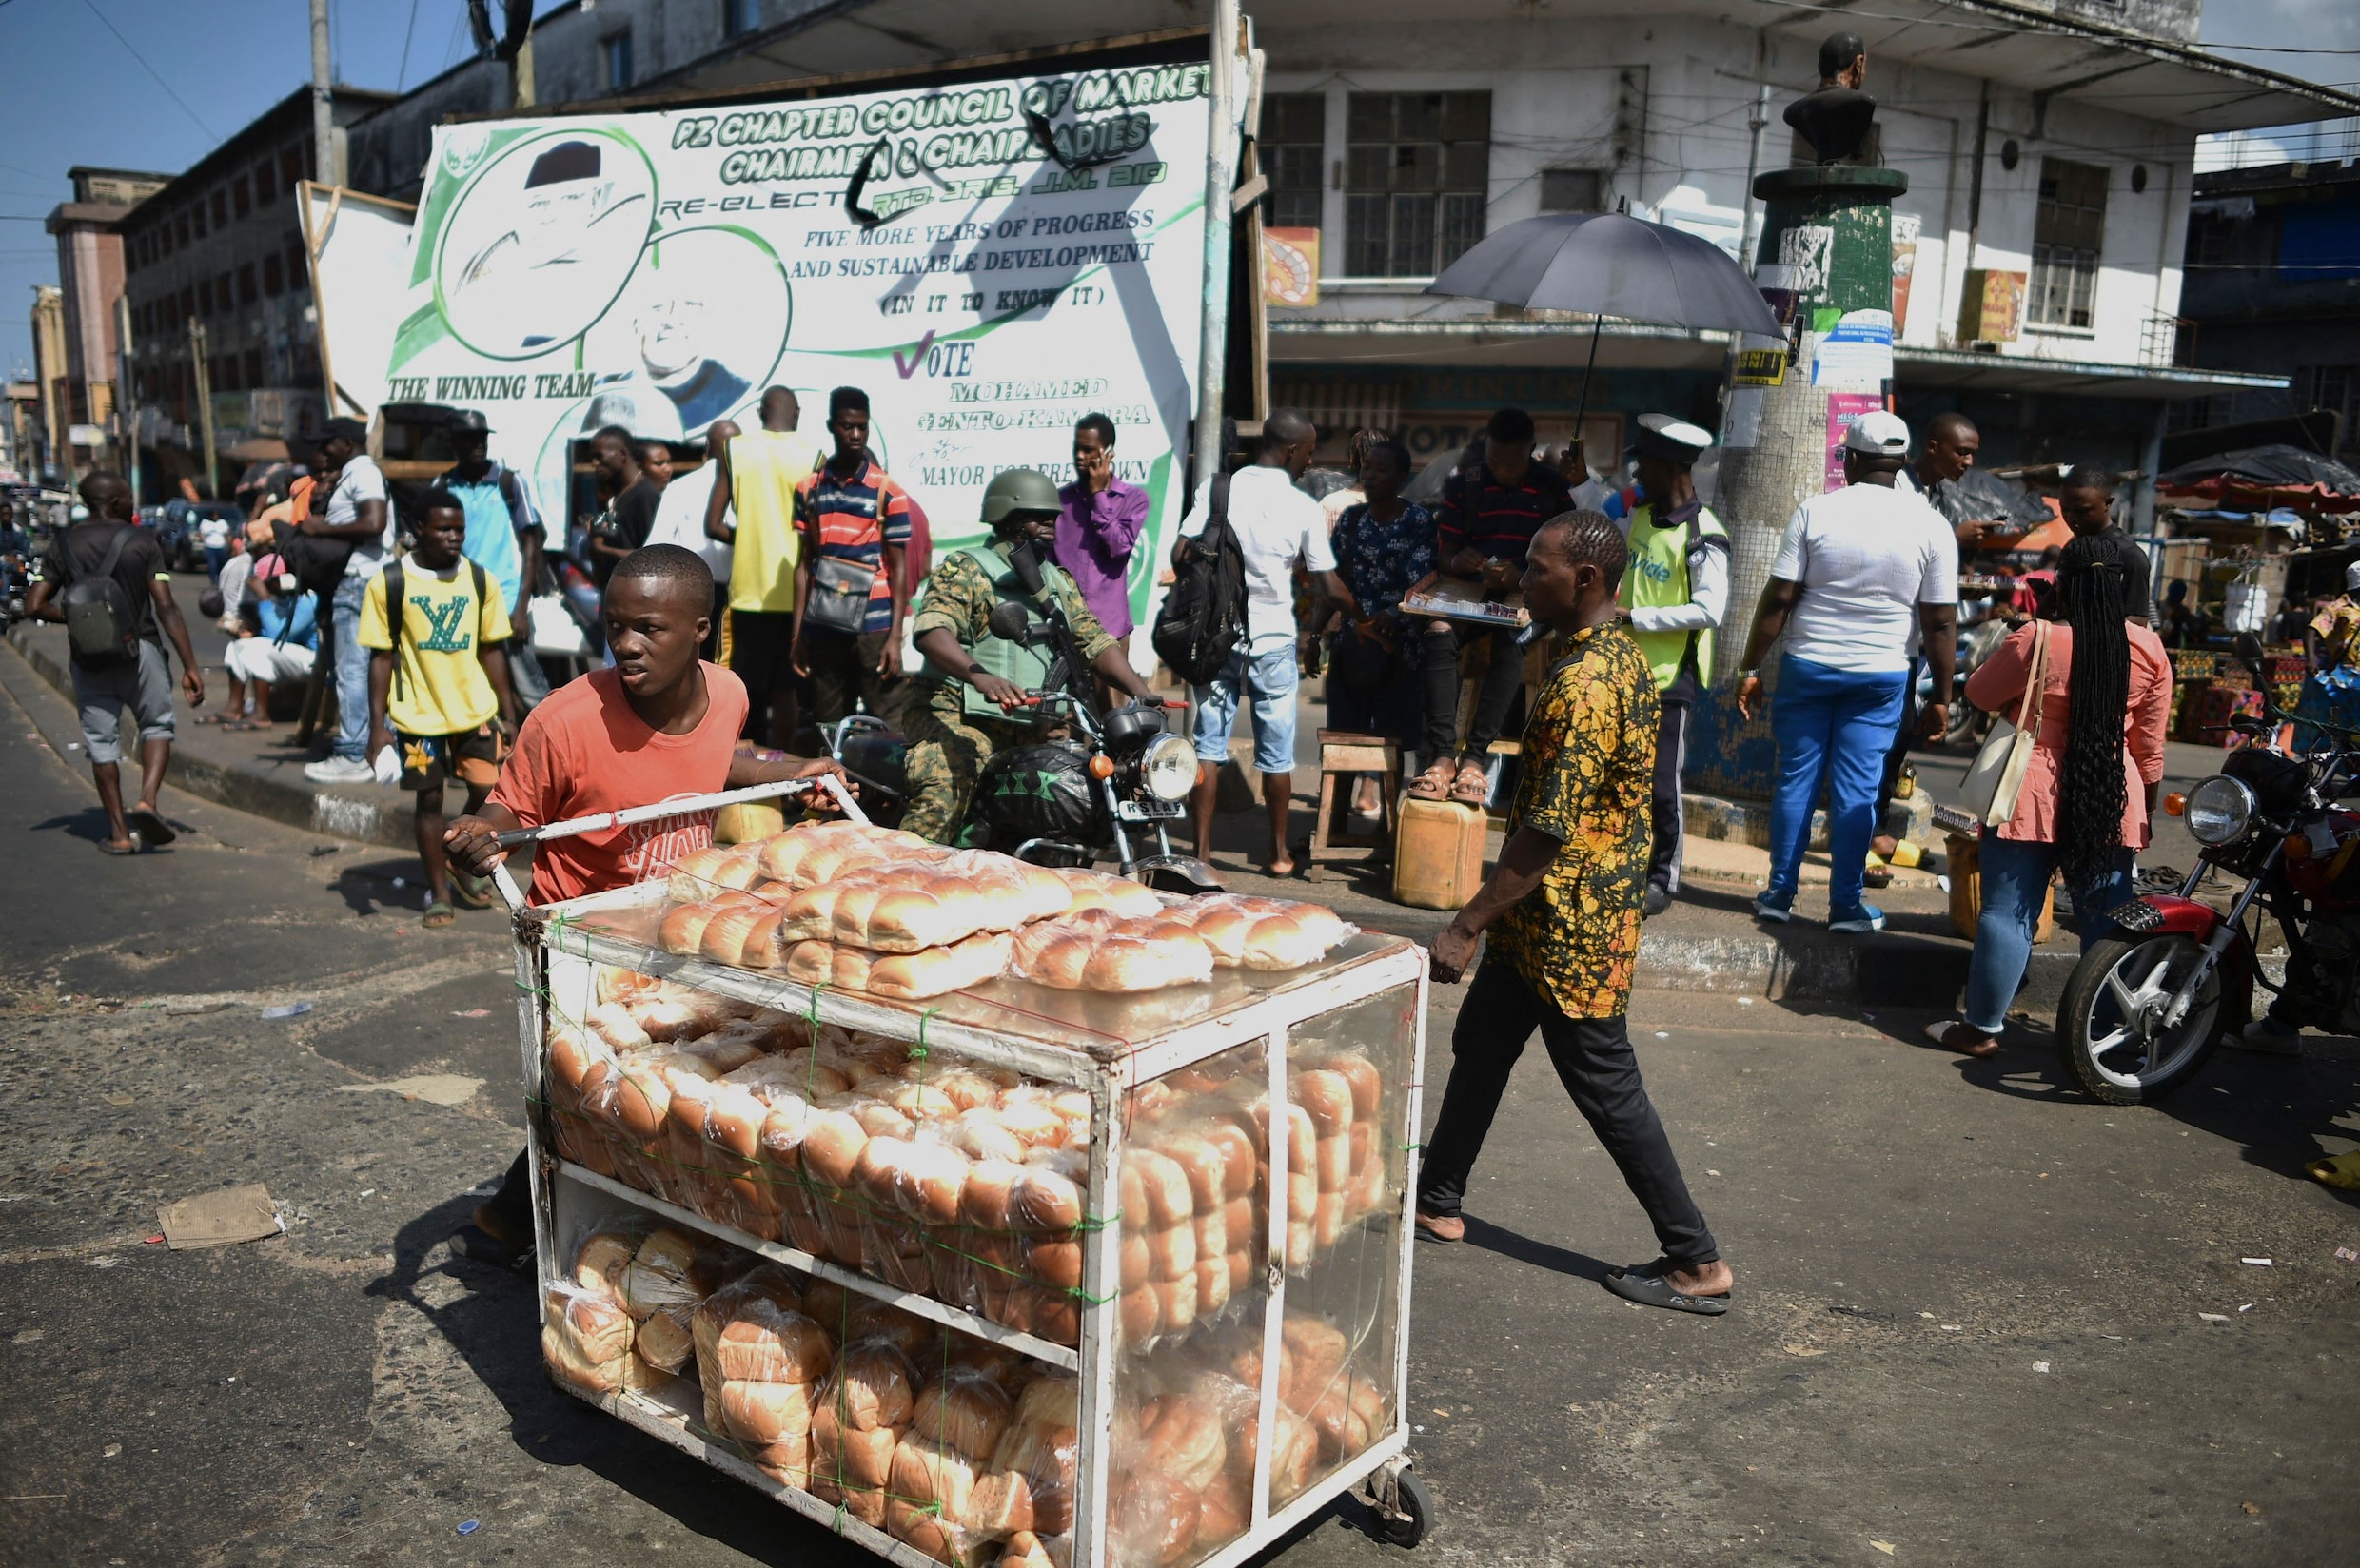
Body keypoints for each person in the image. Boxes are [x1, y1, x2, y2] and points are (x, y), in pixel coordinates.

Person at [442, 543, 849, 1263]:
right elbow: (509, 810)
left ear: (700, 630)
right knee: (591, 1084)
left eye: (649, 629)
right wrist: (479, 834)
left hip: (676, 928)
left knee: (674, 1081)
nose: (626, 645)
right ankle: (524, 1221)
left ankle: (616, 1216)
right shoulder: (565, 720)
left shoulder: (729, 693)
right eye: (615, 626)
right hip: (579, 944)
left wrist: (795, 769)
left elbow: (721, 756)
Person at [1414, 511, 1731, 1315]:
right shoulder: (1618, 656)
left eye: (1537, 568)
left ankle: (1696, 1261)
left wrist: (1465, 923)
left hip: (1571, 929)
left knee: (1607, 1089)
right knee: (1482, 1045)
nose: (1522, 581)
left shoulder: (1586, 683)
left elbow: (1547, 830)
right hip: (1544, 920)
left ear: (1585, 580)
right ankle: (1437, 1196)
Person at [1925, 536, 2172, 1056]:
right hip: (2110, 794)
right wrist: (2143, 810)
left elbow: (1979, 694)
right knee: (2107, 920)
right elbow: (2149, 748)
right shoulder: (2149, 649)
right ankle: (2108, 1037)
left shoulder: (2038, 637)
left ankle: (1981, 1029)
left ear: (2063, 583)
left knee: (2007, 913)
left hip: (2029, 790)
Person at [1733, 410, 1957, 932]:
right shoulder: (1931, 524)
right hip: (1882, 676)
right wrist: (1942, 698)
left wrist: (1751, 666)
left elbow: (1779, 598)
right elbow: (1940, 621)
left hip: (1808, 666)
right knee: (1859, 792)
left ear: (1850, 459)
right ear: (1903, 460)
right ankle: (1845, 907)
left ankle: (1779, 895)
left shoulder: (1816, 511)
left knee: (1797, 781)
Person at [906, 468, 1157, 842]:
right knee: (945, 794)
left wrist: (1141, 692)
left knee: (1073, 798)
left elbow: (1095, 642)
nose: (1050, 524)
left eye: (1053, 517)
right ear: (1007, 518)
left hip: (1029, 728)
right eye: (1038, 517)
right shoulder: (967, 569)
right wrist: (978, 674)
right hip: (955, 715)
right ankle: (906, 868)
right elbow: (932, 631)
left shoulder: (1057, 581)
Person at [1177, 408, 1349, 875]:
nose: (1309, 462)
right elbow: (1329, 586)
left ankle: (1201, 854)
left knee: (1208, 747)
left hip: (1217, 637)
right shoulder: (1303, 506)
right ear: (1291, 450)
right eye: (1308, 453)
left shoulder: (1218, 488)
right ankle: (1277, 855)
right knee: (1277, 756)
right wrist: (1366, 614)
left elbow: (1181, 551)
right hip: (1272, 639)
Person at [26, 470, 207, 853]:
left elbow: (34, 605)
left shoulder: (63, 544)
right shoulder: (142, 542)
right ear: (113, 502)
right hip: (141, 650)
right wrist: (190, 666)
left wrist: (80, 618)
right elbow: (166, 607)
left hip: (89, 657)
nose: (132, 503)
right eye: (127, 498)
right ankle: (147, 801)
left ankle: (119, 834)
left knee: (102, 745)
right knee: (156, 727)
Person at [362, 489, 518, 928]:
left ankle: (457, 860)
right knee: (429, 800)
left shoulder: (481, 580)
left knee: (489, 792)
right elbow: (380, 657)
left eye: (460, 529)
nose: (454, 537)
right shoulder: (390, 582)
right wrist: (376, 726)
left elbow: (493, 649)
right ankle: (439, 892)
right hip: (419, 716)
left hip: (475, 711)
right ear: (419, 529)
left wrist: (509, 713)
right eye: (444, 528)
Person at [1410, 406, 1576, 805]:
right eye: (1493, 460)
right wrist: (1459, 561)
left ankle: (1474, 759)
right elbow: (1446, 554)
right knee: (1437, 631)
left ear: (1530, 450)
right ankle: (1443, 756)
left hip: (1529, 598)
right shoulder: (1465, 485)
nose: (1499, 469)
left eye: (1510, 463)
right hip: (1470, 593)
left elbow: (1565, 562)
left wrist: (1522, 575)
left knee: (1512, 640)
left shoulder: (1553, 489)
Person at [1611, 415, 1728, 916]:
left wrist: (1634, 616)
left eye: (1644, 463)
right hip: (1623, 670)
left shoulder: (1704, 534)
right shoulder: (1639, 513)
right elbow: (1600, 526)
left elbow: (1709, 610)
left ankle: (1664, 877)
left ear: (1671, 467)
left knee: (1662, 785)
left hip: (1669, 681)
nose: (1637, 473)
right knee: (1618, 776)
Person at [707, 385, 825, 747]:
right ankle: (784, 768)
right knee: (786, 689)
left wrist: (746, 538)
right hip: (796, 592)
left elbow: (713, 525)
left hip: (747, 591)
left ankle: (740, 764)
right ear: (797, 414)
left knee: (739, 686)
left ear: (760, 412)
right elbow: (818, 531)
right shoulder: (814, 456)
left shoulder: (735, 450)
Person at [792, 386, 910, 730]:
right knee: (829, 725)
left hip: (875, 628)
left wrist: (894, 638)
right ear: (832, 426)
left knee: (890, 722)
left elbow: (899, 568)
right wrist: (797, 635)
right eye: (847, 427)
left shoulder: (889, 491)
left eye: (862, 427)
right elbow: (803, 565)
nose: (856, 435)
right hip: (824, 625)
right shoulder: (808, 489)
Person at [1325, 439, 1435, 770]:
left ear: (1400, 476)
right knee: (1343, 738)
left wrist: (1394, 614)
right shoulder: (1351, 519)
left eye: (1381, 469)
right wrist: (1316, 634)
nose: (1370, 475)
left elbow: (1428, 579)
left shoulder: (1418, 521)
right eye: (1367, 468)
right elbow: (1335, 579)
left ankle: (1379, 803)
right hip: (1354, 642)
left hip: (1399, 646)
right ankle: (1340, 801)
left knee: (1392, 741)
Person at [302, 417, 396, 786]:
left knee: (353, 669)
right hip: (360, 580)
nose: (323, 452)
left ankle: (355, 752)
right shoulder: (353, 474)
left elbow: (374, 523)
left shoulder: (363, 473)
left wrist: (321, 528)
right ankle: (376, 750)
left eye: (328, 444)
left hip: (359, 581)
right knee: (368, 668)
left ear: (345, 443)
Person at [442, 411, 550, 710]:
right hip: (462, 605)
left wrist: (521, 608)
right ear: (454, 444)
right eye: (470, 439)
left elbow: (531, 545)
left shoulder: (509, 483)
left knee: (529, 688)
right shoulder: (444, 486)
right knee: (477, 686)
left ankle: (550, 736)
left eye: (482, 438)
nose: (479, 445)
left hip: (508, 601)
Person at [1052, 412, 1149, 645]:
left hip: (1110, 629)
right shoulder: (1058, 501)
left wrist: (1098, 495)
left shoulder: (1134, 499)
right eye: (1077, 448)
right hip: (1066, 629)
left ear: (1108, 453)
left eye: (1088, 450)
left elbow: (1119, 547)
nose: (1079, 456)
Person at [649, 417, 738, 660]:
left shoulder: (680, 487)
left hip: (689, 591)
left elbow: (657, 546)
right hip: (736, 595)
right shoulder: (747, 489)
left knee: (691, 661)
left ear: (707, 447)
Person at [220, 554, 317, 732]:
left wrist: (264, 599)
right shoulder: (285, 599)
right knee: (237, 646)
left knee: (260, 650)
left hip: (315, 660)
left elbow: (278, 635)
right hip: (296, 654)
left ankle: (261, 714)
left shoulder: (309, 600)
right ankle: (234, 708)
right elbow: (275, 632)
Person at [2058, 466, 2154, 626]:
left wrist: (2078, 630)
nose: (2071, 518)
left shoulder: (2129, 556)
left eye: (2082, 511)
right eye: (2065, 509)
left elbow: (2136, 622)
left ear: (2107, 504)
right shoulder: (2071, 548)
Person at [585, 426, 661, 590]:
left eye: (599, 456)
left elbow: (653, 555)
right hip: (614, 590)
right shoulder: (614, 496)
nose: (594, 463)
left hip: (638, 592)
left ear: (622, 454)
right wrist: (596, 538)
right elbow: (602, 538)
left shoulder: (645, 494)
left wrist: (603, 549)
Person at [197, 507, 234, 582]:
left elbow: (228, 534)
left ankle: (221, 580)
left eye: (216, 515)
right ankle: (214, 581)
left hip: (221, 547)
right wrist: (204, 540)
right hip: (210, 547)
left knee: (221, 565)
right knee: (212, 565)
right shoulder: (205, 522)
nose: (215, 516)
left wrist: (229, 544)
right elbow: (201, 534)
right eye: (214, 515)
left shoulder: (222, 522)